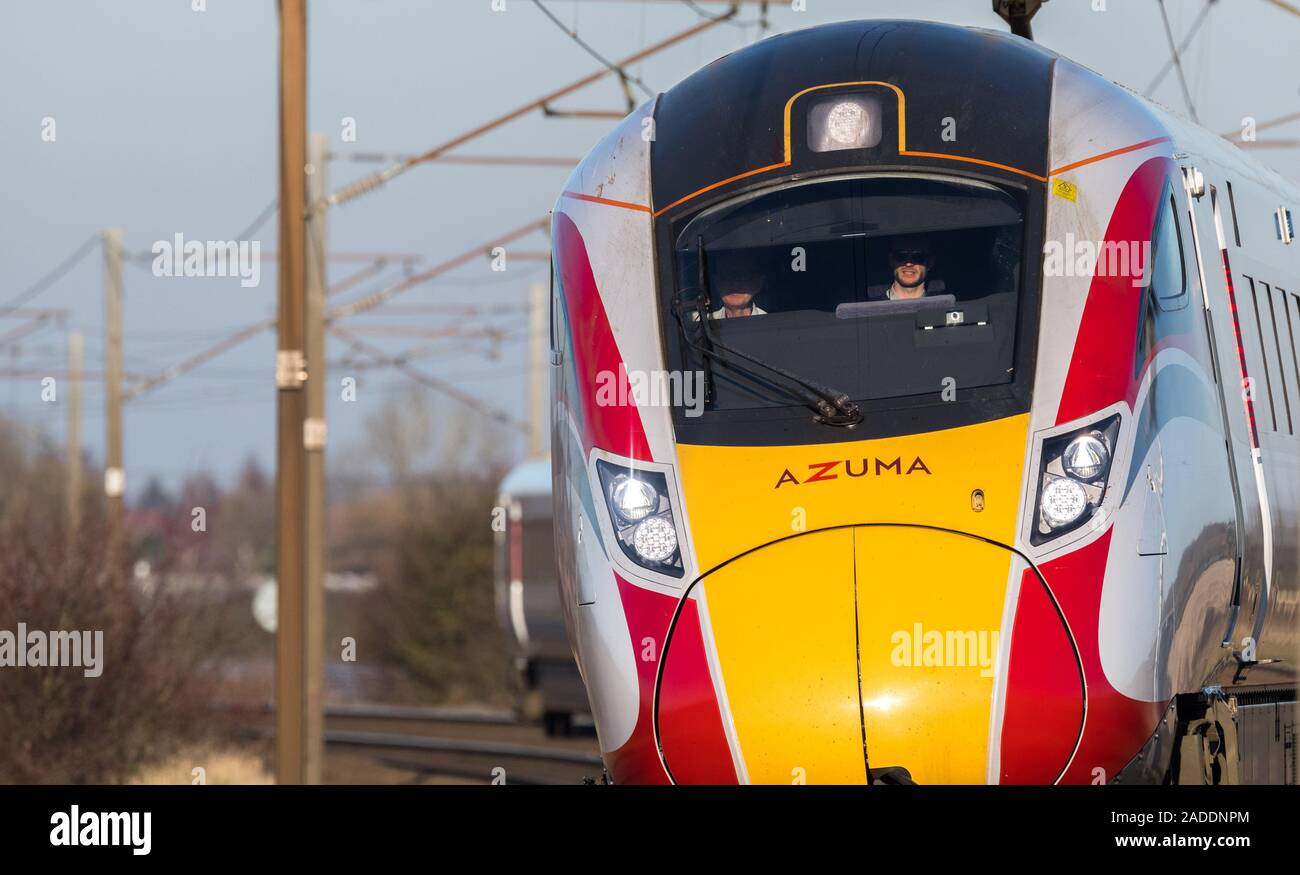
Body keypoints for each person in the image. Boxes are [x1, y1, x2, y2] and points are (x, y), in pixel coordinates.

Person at [868, 235, 939, 301]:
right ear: (891, 260)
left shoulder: (942, 308)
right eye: (901, 255)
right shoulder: (868, 310)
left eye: (918, 256)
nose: (909, 263)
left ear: (930, 262)